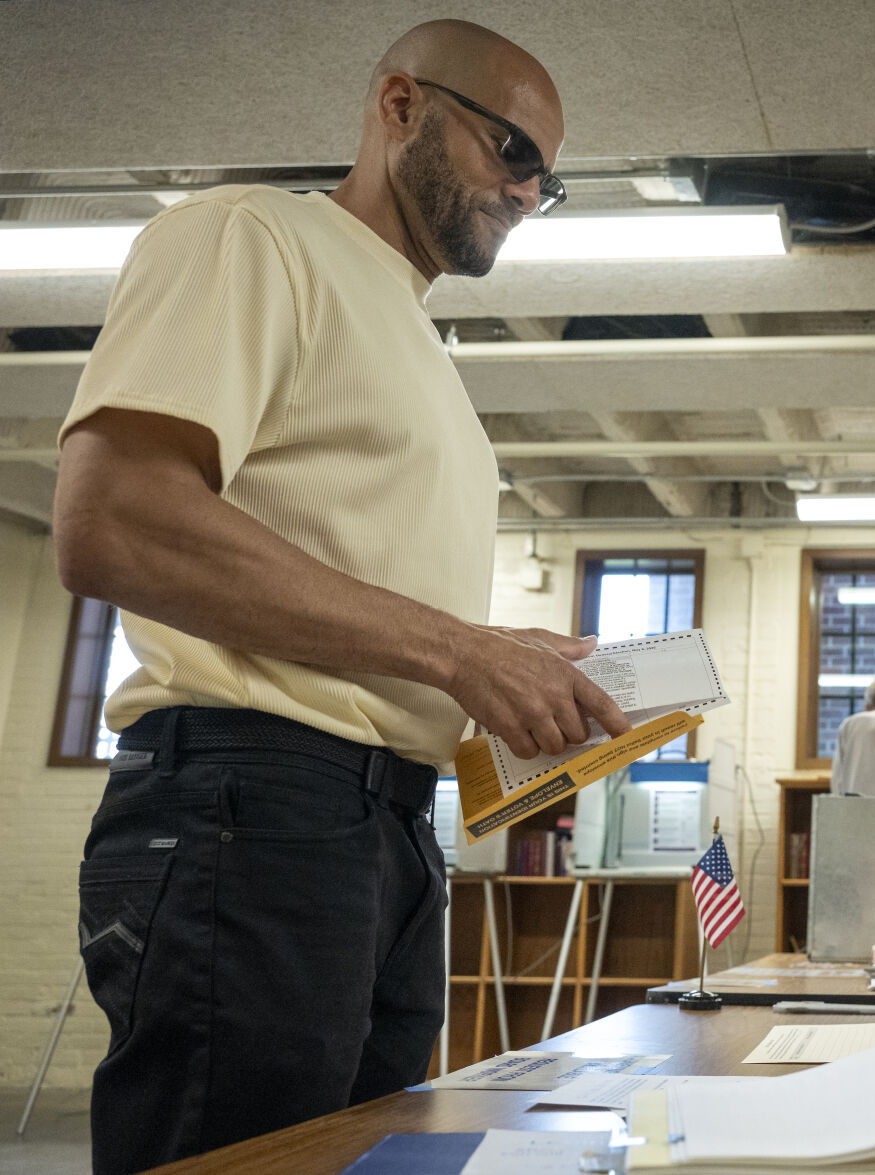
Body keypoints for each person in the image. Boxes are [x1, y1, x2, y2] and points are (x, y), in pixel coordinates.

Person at [54, 21, 630, 1173]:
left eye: (546, 177)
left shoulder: (415, 343)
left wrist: (489, 654)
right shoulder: (254, 236)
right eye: (511, 147)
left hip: (386, 826)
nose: (526, 188)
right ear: (401, 106)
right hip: (254, 804)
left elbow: (345, 582)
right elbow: (112, 516)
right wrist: (456, 650)